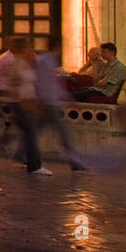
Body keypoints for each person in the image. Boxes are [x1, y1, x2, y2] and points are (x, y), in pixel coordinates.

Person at [0, 37, 51, 175]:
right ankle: (34, 165)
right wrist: (27, 103)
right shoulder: (13, 63)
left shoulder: (23, 62)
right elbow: (14, 86)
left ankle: (22, 158)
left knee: (29, 132)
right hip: (20, 104)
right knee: (30, 132)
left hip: (25, 102)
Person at [36, 35, 84, 170]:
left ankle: (20, 154)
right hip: (50, 103)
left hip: (48, 102)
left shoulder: (45, 60)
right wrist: (66, 97)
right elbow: (51, 84)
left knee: (36, 131)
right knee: (64, 133)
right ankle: (75, 161)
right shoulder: (48, 62)